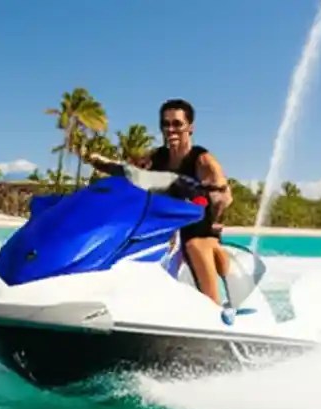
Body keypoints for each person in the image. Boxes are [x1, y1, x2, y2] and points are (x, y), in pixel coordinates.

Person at [85, 99, 234, 305]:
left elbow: (225, 196)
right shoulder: (157, 157)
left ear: (190, 128)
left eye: (177, 124)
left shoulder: (203, 161)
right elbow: (131, 173)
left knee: (195, 245)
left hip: (198, 228)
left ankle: (214, 305)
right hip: (164, 226)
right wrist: (100, 163)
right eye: (166, 124)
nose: (171, 129)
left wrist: (214, 222)